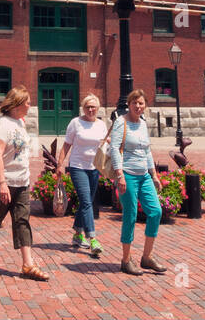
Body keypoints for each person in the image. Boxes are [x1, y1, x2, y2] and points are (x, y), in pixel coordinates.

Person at [0, 87, 48, 281]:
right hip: (3, 180)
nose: (30, 105)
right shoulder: (3, 124)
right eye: (28, 102)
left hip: (22, 181)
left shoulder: (20, 122)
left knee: (22, 220)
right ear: (17, 104)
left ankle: (28, 264)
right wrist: (2, 183)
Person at [112, 90, 165, 276]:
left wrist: (154, 175)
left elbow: (147, 151)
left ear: (145, 106)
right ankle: (126, 260)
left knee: (155, 212)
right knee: (131, 215)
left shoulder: (143, 123)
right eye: (134, 103)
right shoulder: (121, 122)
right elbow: (114, 149)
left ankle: (146, 257)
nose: (138, 106)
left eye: (141, 103)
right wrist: (120, 175)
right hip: (128, 175)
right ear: (129, 104)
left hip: (144, 175)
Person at [62, 94, 107, 258]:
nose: (90, 109)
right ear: (83, 108)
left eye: (93, 107)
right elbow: (66, 144)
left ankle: (77, 234)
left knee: (85, 202)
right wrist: (59, 165)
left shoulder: (102, 125)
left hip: (94, 168)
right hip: (77, 166)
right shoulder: (75, 123)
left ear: (98, 108)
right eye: (87, 106)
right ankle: (93, 238)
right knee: (87, 201)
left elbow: (105, 143)